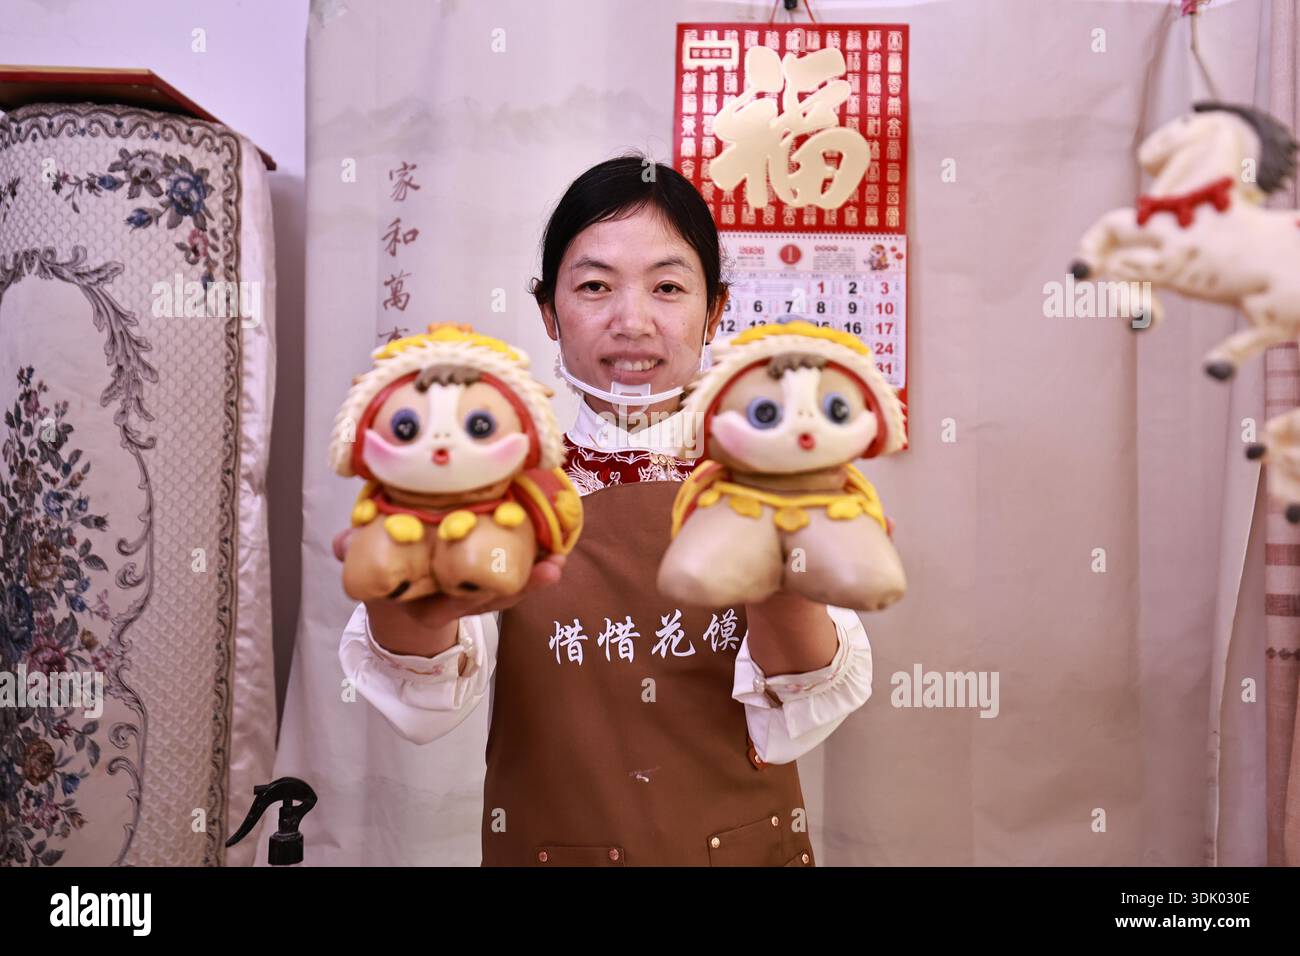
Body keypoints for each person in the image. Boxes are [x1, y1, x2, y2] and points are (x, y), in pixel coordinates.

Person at [335, 155, 875, 866]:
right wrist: (410, 608)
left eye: (668, 287)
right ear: (549, 314)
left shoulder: (776, 470)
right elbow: (426, 703)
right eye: (594, 286)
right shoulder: (492, 476)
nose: (633, 320)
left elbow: (807, 704)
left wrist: (780, 575)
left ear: (714, 309)